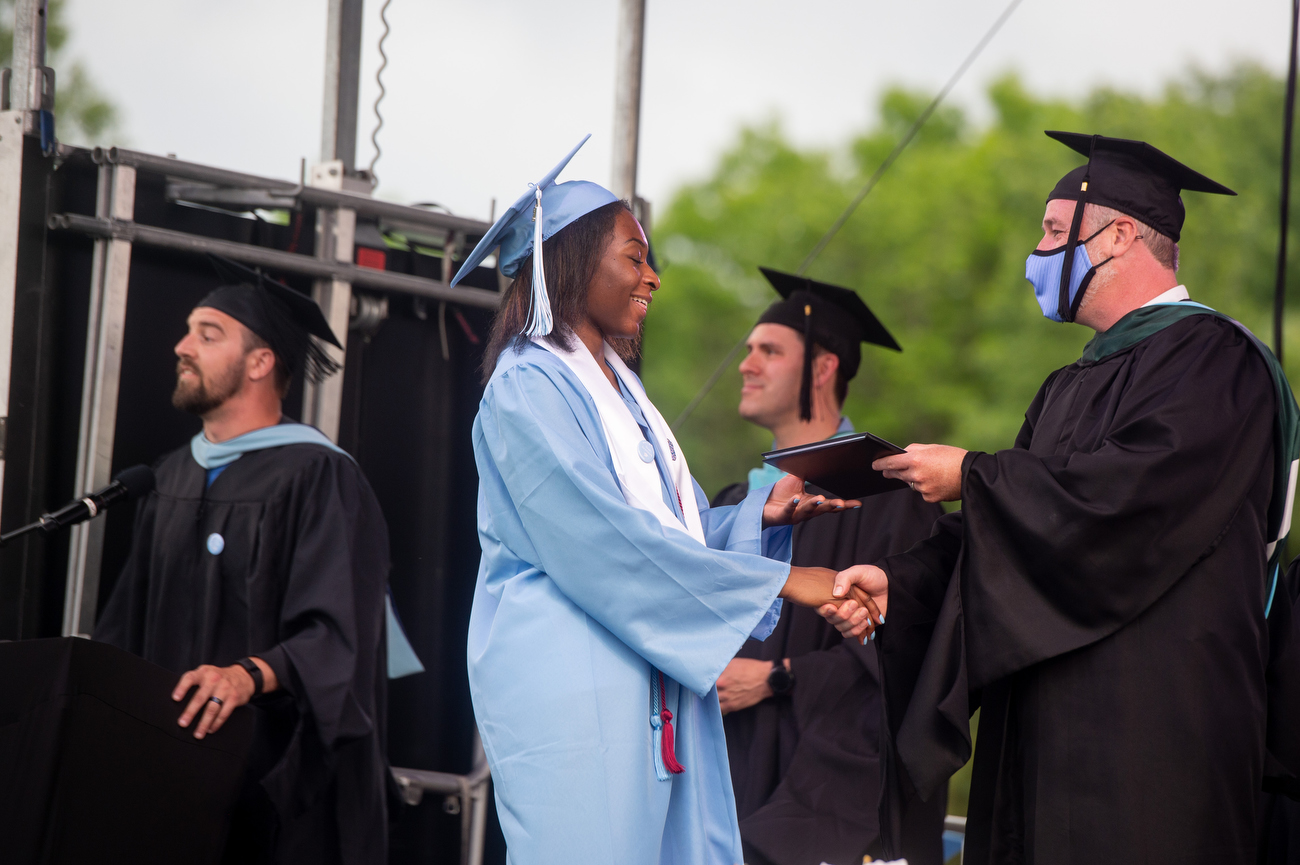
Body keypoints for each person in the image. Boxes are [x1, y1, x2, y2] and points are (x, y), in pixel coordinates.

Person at [823, 131, 1300, 864]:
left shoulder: (1215, 360)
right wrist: (903, 581)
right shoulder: (1070, 383)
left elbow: (1122, 505)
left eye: (1052, 231)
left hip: (1152, 735)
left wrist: (973, 474)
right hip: (1043, 735)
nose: (1037, 254)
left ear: (1116, 235)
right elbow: (1013, 524)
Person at [453, 136, 876, 865]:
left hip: (646, 684)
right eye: (634, 257)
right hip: (578, 683)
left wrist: (749, 520)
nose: (653, 277)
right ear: (574, 261)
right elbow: (600, 544)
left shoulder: (618, 386)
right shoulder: (527, 386)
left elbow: (652, 530)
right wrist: (785, 577)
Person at [95, 266, 406, 865]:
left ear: (260, 362)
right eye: (189, 332)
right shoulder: (171, 476)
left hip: (276, 786)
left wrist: (244, 675)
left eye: (208, 334)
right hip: (175, 777)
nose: (182, 347)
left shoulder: (320, 476)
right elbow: (125, 629)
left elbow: (340, 635)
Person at [710, 268, 945, 865]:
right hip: (724, 785)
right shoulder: (735, 505)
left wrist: (777, 676)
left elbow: (911, 653)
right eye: (748, 350)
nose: (747, 363)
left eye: (769, 350)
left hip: (821, 806)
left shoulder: (891, 497)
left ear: (822, 367)